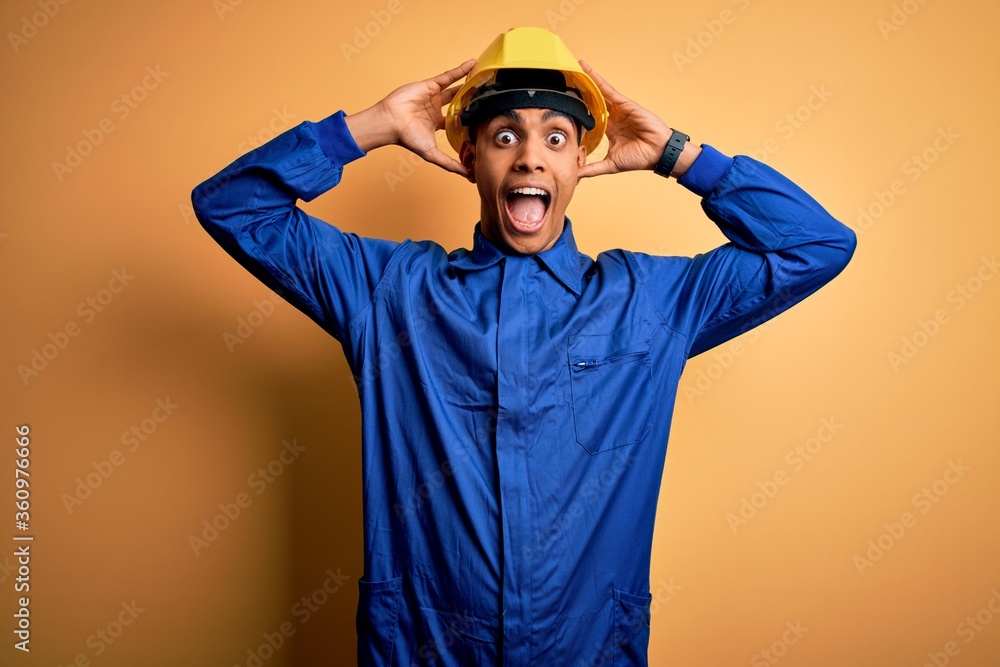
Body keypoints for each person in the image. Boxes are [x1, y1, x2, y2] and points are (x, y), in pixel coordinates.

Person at [192, 26, 855, 667]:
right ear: (470, 158)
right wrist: (372, 126)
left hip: (588, 649)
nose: (530, 157)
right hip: (424, 648)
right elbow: (233, 206)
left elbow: (818, 244)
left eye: (557, 138)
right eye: (505, 135)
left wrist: (678, 154)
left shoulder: (649, 301)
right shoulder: (390, 292)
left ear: (580, 162)